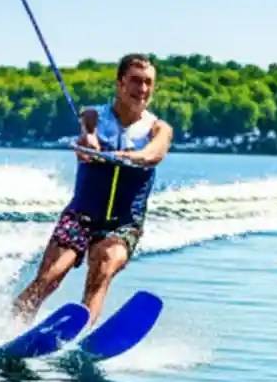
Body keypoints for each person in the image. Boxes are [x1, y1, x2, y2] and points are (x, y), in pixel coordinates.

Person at [12, 53, 173, 326]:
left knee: (105, 263)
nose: (142, 89)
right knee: (51, 275)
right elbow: (86, 135)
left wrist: (125, 156)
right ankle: (10, 327)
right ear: (121, 83)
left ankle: (82, 333)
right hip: (81, 215)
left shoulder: (158, 129)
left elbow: (153, 155)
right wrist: (87, 144)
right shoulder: (94, 116)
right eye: (135, 81)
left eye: (148, 83)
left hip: (124, 223)